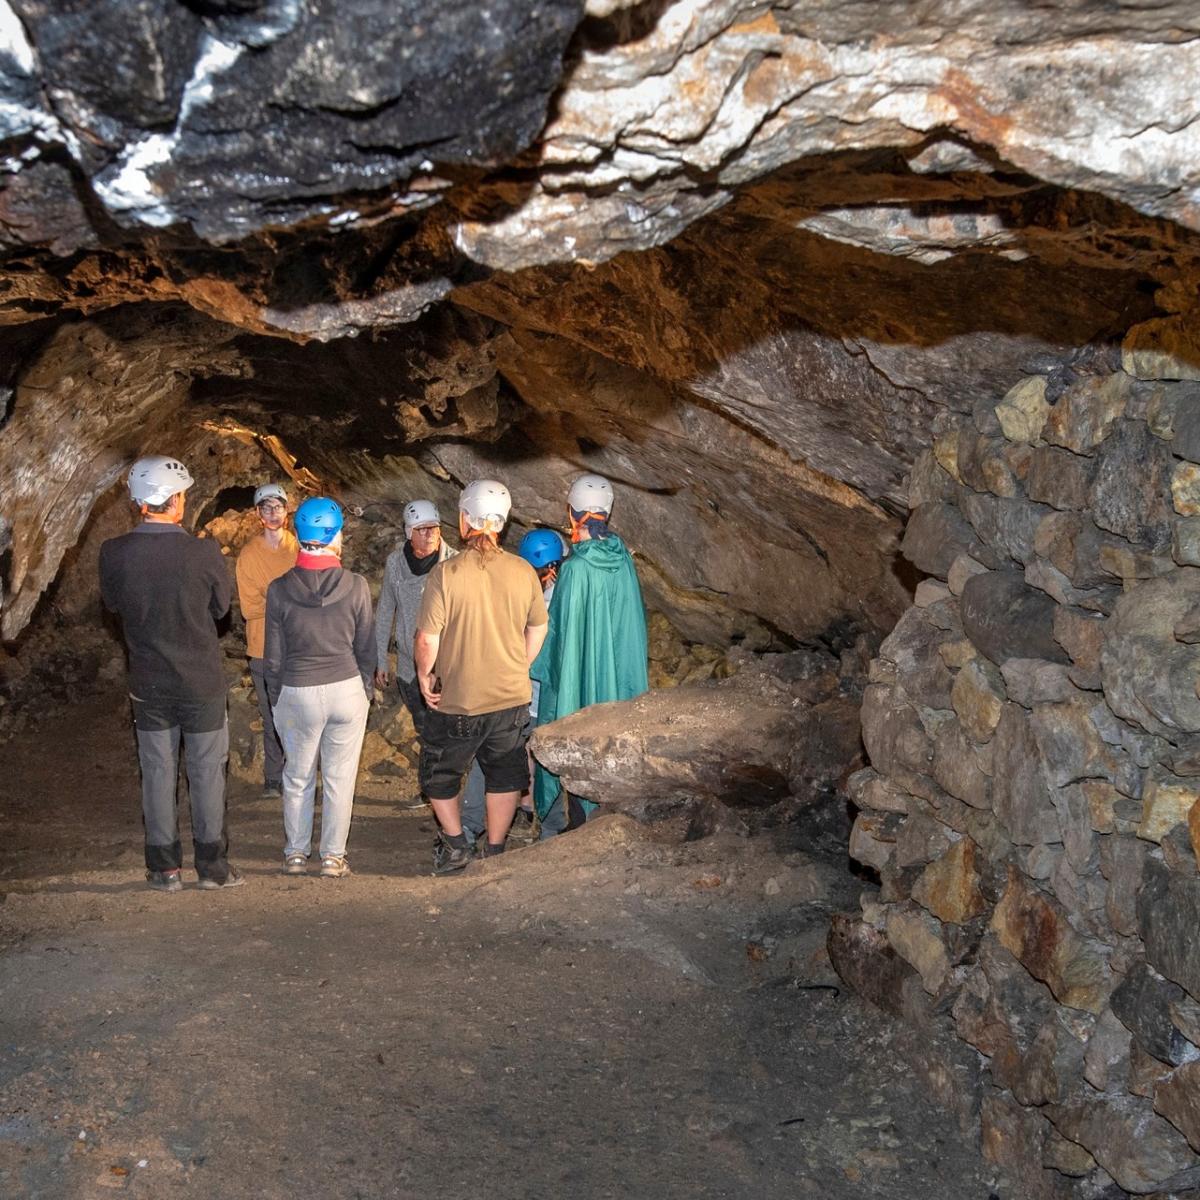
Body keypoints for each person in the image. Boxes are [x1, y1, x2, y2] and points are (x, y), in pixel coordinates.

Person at [99, 454, 243, 892]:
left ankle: (164, 869)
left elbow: (114, 607)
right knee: (205, 771)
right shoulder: (203, 552)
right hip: (200, 683)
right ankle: (213, 868)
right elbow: (222, 611)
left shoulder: (114, 553)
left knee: (157, 771)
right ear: (174, 500)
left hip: (148, 683)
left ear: (140, 502)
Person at [414, 480, 548, 874]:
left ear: (465, 518)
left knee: (438, 774)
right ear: (502, 523)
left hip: (460, 699)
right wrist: (519, 664)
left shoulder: (446, 573)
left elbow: (427, 638)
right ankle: (494, 850)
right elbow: (539, 627)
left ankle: (456, 846)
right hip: (510, 697)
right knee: (506, 774)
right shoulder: (523, 571)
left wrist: (424, 675)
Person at [531, 473, 649, 837]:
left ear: (573, 514)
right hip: (617, 674)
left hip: (584, 679)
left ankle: (579, 824)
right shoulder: (623, 560)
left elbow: (561, 635)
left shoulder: (577, 569)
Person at [264, 497, 375, 879]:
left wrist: (277, 699)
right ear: (336, 535)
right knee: (340, 778)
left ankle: (296, 853)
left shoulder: (279, 589)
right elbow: (366, 648)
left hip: (298, 688)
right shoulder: (357, 586)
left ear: (299, 535)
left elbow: (273, 658)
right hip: (345, 688)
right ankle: (332, 858)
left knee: (297, 775)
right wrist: (364, 690)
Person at [374, 499, 455, 806]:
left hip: (446, 666)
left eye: (433, 527)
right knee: (426, 728)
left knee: (442, 730)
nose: (429, 534)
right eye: (421, 529)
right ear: (409, 533)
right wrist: (380, 658)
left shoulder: (453, 563)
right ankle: (433, 790)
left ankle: (437, 790)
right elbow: (385, 610)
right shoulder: (396, 563)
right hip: (410, 665)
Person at [235, 482, 298, 797]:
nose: (273, 513)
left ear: (286, 513)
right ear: (258, 514)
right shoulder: (248, 555)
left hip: (299, 648)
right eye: (267, 508)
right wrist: (287, 600)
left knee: (301, 715)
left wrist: (271, 597)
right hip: (262, 648)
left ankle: (298, 775)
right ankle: (274, 777)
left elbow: (310, 598)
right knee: (272, 714)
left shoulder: (299, 549)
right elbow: (249, 608)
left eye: (278, 507)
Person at [515, 527, 569, 836]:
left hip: (530, 694)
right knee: (545, 758)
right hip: (553, 696)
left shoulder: (524, 596)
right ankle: (548, 823)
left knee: (529, 753)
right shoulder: (565, 599)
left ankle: (529, 809)